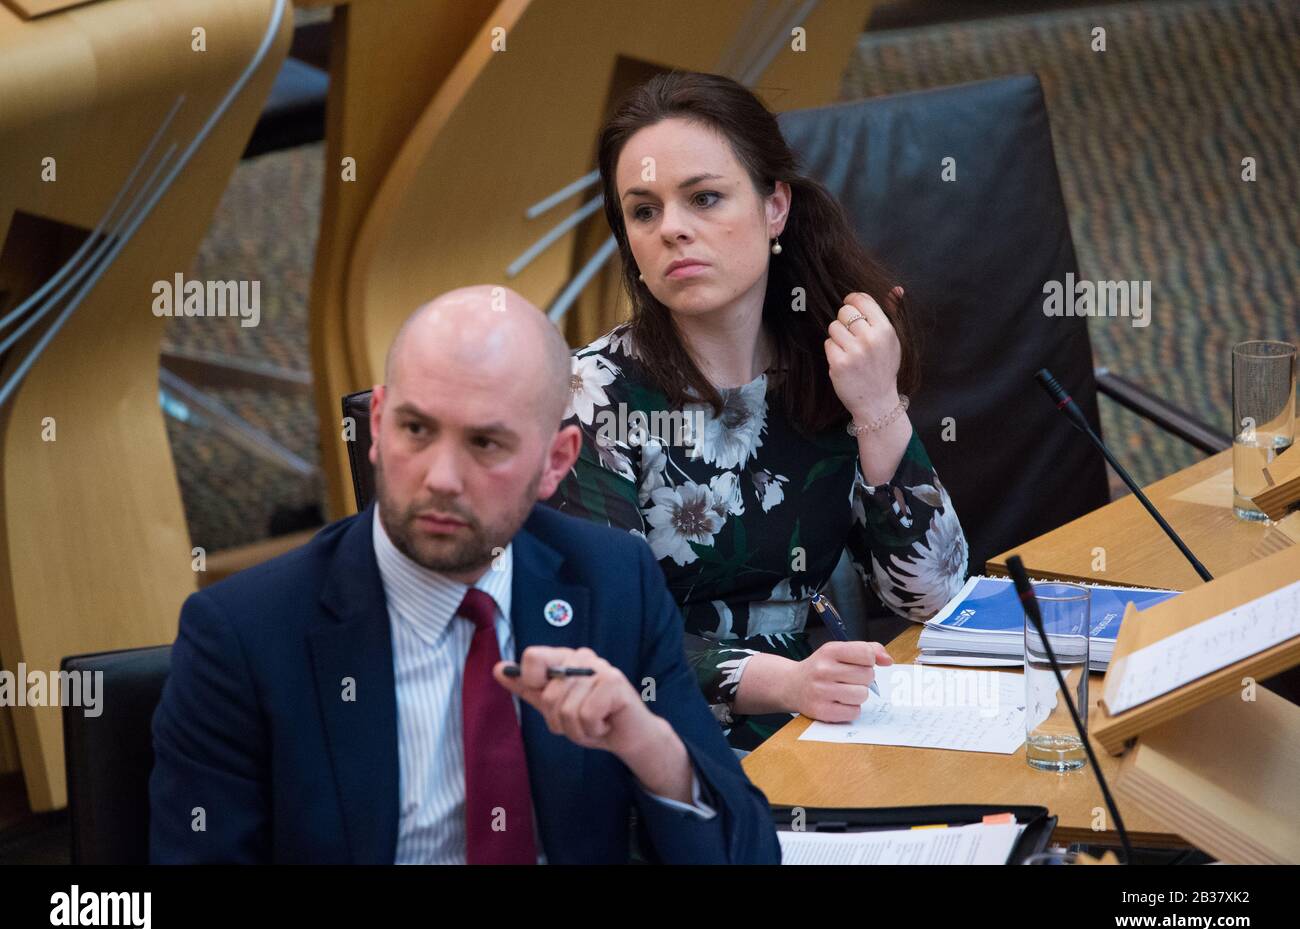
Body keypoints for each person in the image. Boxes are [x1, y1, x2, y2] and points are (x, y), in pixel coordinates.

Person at [149, 286, 780, 864]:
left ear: (555, 462)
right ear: (376, 427)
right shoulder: (243, 635)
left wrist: (649, 747)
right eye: (417, 430)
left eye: (485, 444)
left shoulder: (613, 583)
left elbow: (747, 853)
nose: (441, 477)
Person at [546, 71, 970, 751]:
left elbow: (934, 595)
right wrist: (784, 683)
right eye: (644, 211)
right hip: (658, 741)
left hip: (825, 720)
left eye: (704, 198)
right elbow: (608, 629)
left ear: (775, 207)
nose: (673, 230)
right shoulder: (593, 394)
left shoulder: (827, 359)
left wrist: (878, 407)